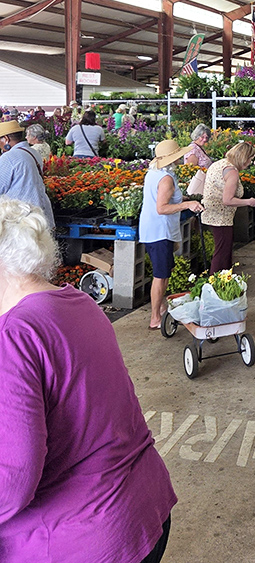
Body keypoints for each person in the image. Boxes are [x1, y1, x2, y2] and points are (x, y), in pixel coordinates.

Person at [0, 197, 176, 563]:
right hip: (144, 507)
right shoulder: (79, 302)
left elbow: (14, 479)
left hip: (84, 536)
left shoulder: (14, 334)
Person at [139, 140, 203, 329]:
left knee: (164, 271)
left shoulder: (154, 172)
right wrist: (187, 204)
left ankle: (161, 309)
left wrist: (183, 199)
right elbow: (162, 208)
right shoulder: (166, 178)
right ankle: (155, 318)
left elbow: (161, 198)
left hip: (153, 229)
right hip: (160, 230)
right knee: (161, 275)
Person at [201, 142, 255, 274]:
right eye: (250, 159)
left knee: (223, 250)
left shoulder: (220, 164)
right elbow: (228, 200)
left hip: (212, 212)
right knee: (222, 253)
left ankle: (223, 280)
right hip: (221, 217)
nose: (250, 163)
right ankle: (216, 281)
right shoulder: (232, 172)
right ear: (244, 157)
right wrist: (249, 202)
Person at [0, 121, 54, 228]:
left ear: (6, 139)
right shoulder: (32, 152)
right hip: (40, 213)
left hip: (21, 217)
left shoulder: (9, 157)